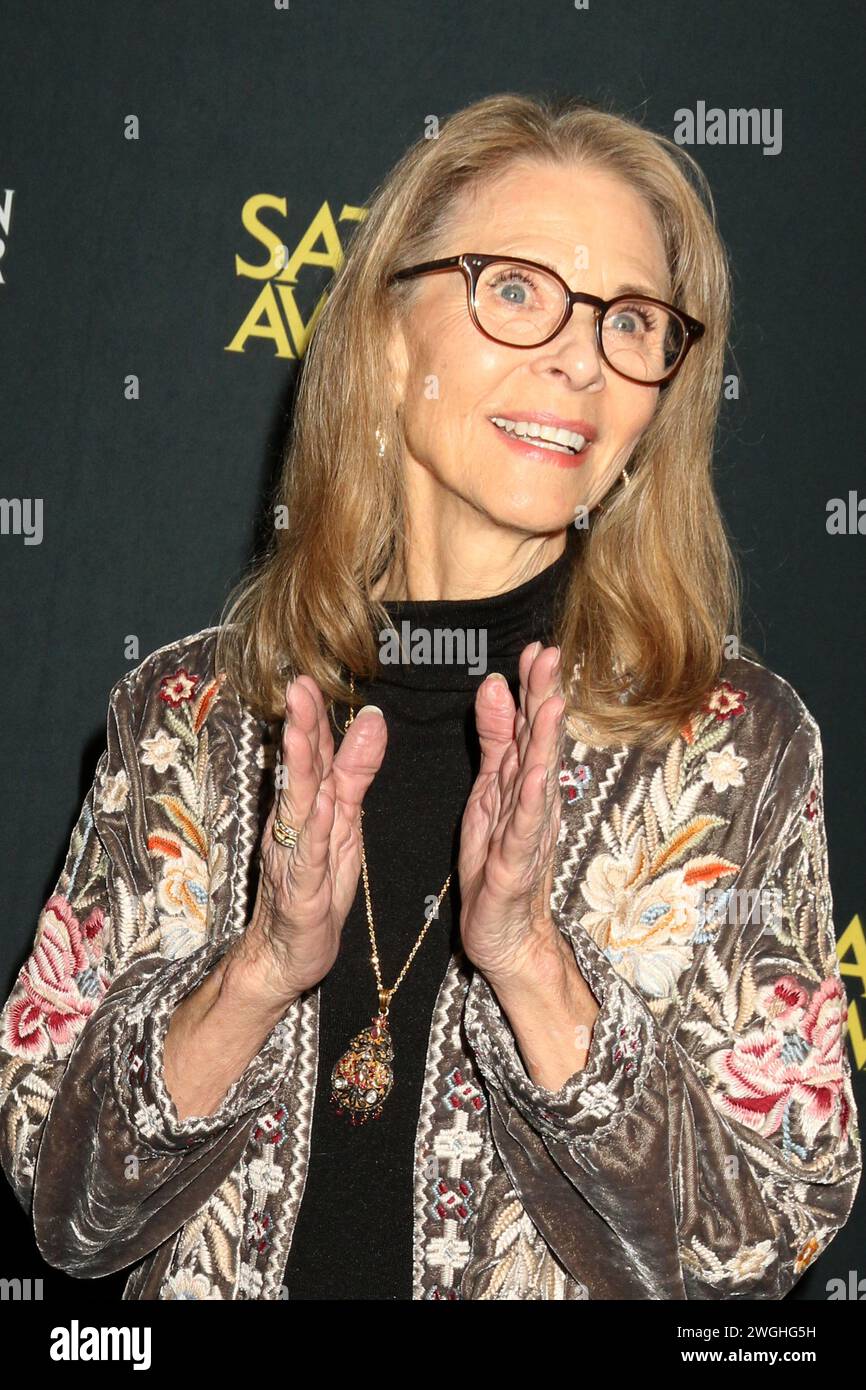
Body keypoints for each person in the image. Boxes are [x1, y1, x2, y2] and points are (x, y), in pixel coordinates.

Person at [0, 93, 860, 1301]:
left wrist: (532, 966)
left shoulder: (725, 743)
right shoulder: (186, 713)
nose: (577, 356)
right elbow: (63, 1208)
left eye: (629, 320)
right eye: (513, 290)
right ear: (387, 336)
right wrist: (253, 972)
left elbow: (759, 1245)